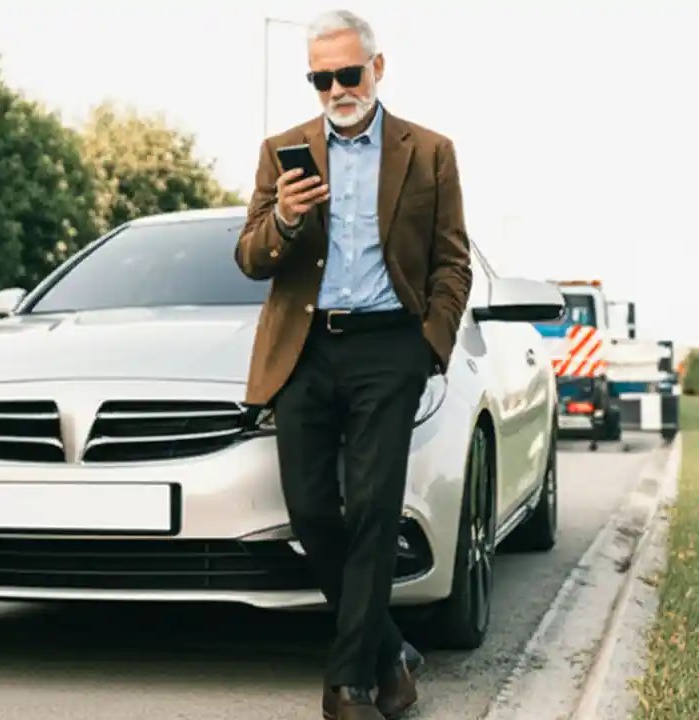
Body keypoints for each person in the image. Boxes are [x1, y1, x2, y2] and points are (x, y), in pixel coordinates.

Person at [234, 9, 472, 719]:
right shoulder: (282, 152)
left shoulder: (429, 152)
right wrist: (284, 219)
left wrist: (426, 346)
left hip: (388, 347)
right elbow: (249, 258)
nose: (336, 89)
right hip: (304, 350)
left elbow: (452, 262)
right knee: (310, 508)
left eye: (347, 74)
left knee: (373, 509)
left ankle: (349, 686)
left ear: (377, 68)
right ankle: (389, 650)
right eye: (321, 79)